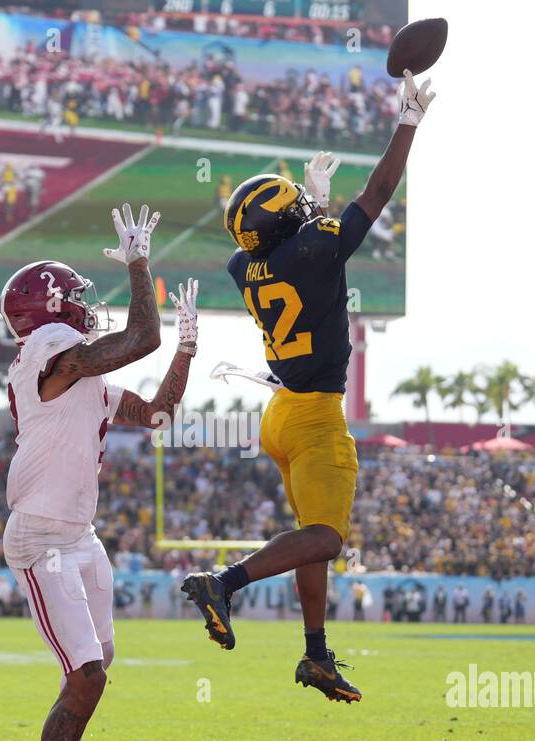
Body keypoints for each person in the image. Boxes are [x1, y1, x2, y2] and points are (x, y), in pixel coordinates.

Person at [180, 71, 436, 705]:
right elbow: (377, 193)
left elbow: (297, 254)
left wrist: (311, 210)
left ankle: (315, 653)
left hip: (279, 415)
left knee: (310, 537)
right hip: (316, 416)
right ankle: (225, 582)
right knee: (325, 538)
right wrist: (406, 124)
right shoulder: (309, 247)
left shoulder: (244, 265)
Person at [0, 203, 196, 741]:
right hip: (42, 534)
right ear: (49, 311)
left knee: (100, 660)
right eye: (74, 297)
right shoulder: (49, 353)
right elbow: (140, 338)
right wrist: (140, 261)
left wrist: (188, 346)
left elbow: (160, 413)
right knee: (87, 673)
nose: (84, 306)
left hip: (79, 535)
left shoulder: (75, 372)